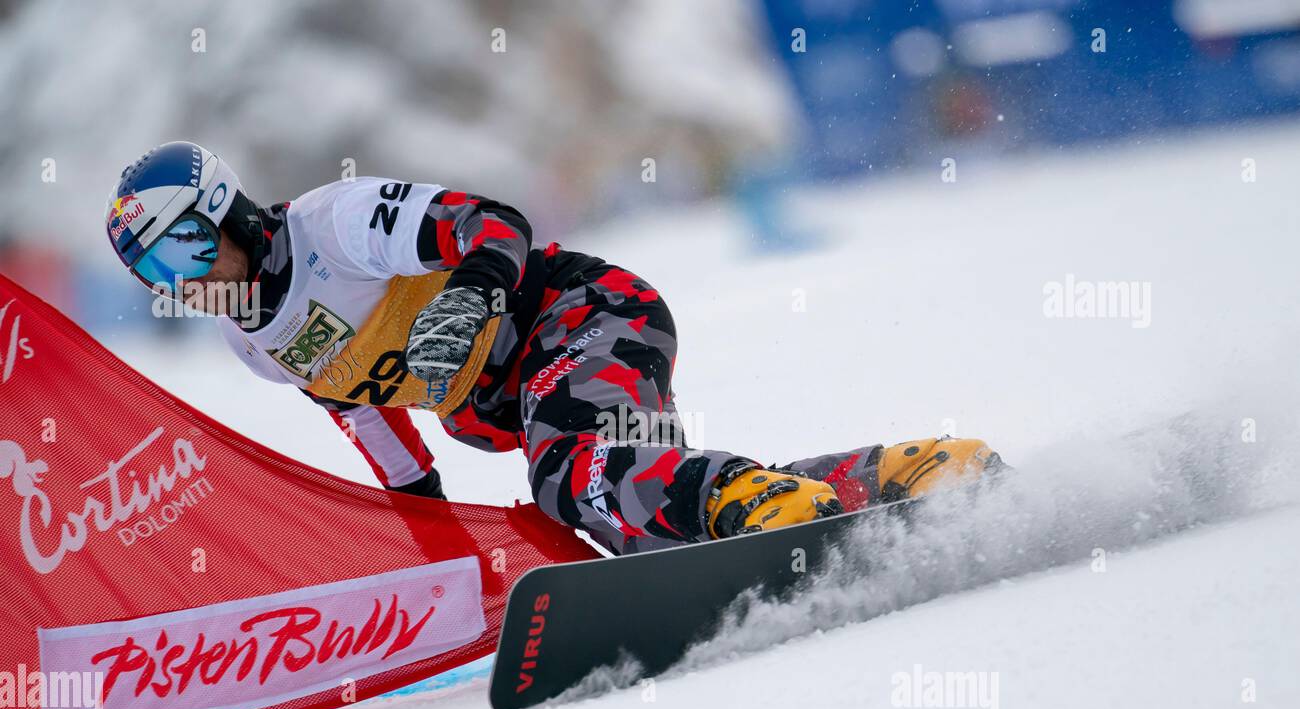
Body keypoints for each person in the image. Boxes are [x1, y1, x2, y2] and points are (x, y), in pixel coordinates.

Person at [105, 141, 1001, 555]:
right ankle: (895, 474)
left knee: (577, 476)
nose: (182, 280)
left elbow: (491, 224)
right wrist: (432, 535)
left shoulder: (335, 224)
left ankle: (777, 512)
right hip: (530, 401)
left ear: (228, 210)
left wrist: (473, 290)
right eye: (154, 271)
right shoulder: (251, 341)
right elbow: (362, 418)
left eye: (184, 248)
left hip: (583, 317)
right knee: (643, 530)